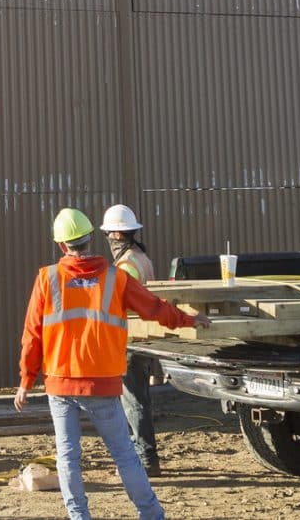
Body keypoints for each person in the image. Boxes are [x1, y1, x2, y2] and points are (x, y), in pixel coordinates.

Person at [15, 208, 210, 520]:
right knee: (124, 454)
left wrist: (26, 381)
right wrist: (189, 319)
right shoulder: (115, 278)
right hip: (103, 383)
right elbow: (154, 309)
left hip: (60, 382)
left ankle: (79, 516)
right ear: (91, 239)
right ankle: (151, 514)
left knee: (68, 457)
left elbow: (31, 336)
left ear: (62, 246)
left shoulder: (47, 278)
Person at [101, 203, 163, 474]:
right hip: (142, 337)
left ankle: (144, 457)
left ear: (115, 235)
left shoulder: (126, 265)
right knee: (139, 398)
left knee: (134, 400)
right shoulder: (140, 256)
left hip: (131, 341)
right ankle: (145, 453)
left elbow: (118, 304)